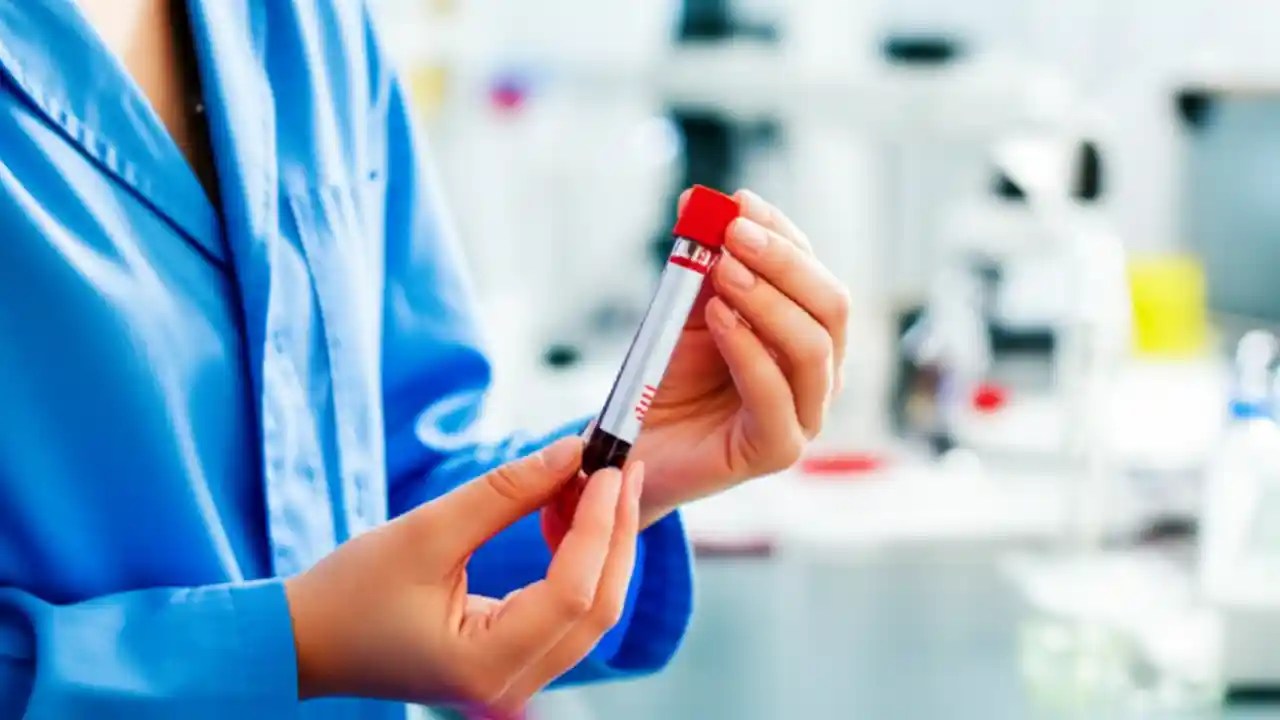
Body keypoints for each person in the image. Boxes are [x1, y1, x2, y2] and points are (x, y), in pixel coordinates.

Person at [0, 1, 850, 718]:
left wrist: (627, 462)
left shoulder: (308, 24)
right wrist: (291, 644)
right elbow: (325, 607)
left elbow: (381, 490)